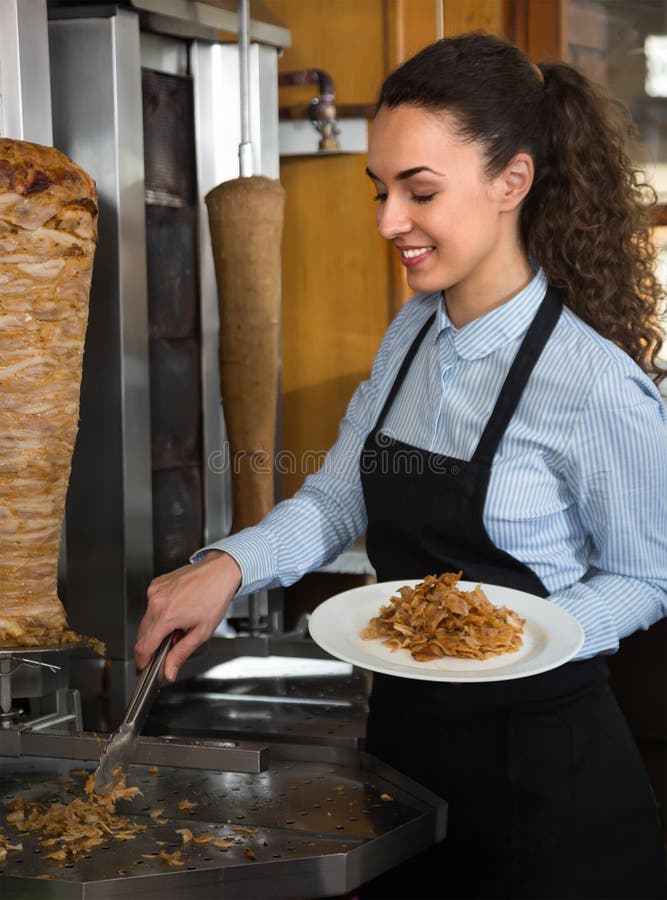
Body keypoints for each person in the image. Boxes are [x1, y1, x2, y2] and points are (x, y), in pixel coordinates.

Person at [135, 31, 667, 900]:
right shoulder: (411, 333)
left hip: (548, 795)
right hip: (404, 768)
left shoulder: (592, 384)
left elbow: (646, 577)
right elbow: (338, 496)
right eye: (381, 191)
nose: (388, 222)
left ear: (512, 182)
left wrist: (516, 638)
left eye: (419, 191)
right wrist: (227, 565)